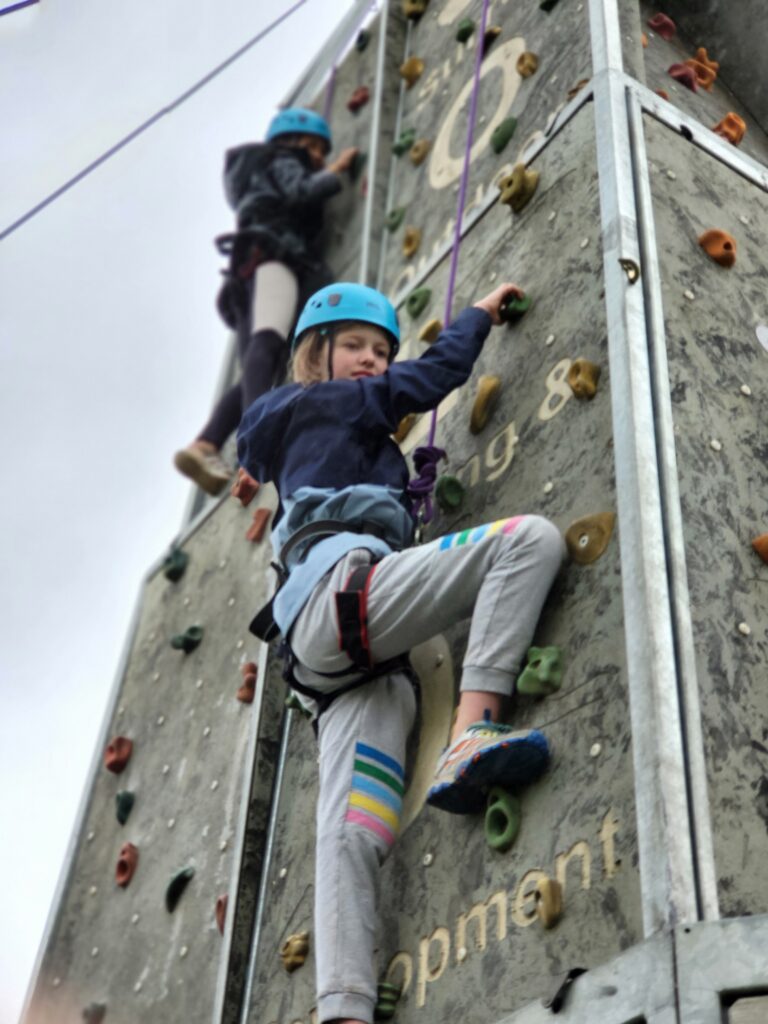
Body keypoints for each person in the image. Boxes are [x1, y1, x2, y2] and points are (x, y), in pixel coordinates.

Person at [237, 282, 565, 1024]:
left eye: (381, 350)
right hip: (345, 596)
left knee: (354, 830)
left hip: (343, 668)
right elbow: (432, 377)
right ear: (313, 358)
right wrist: (480, 312)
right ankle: (474, 728)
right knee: (526, 542)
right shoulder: (331, 403)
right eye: (355, 345)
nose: (372, 361)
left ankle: (342, 1006)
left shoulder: (306, 433)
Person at [174, 108, 358, 495]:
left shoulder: (254, 171)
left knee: (258, 364)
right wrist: (336, 171)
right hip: (274, 258)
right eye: (314, 148)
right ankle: (260, 428)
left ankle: (206, 444)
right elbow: (299, 191)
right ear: (294, 143)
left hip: (245, 274)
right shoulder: (284, 160)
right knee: (269, 342)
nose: (318, 156)